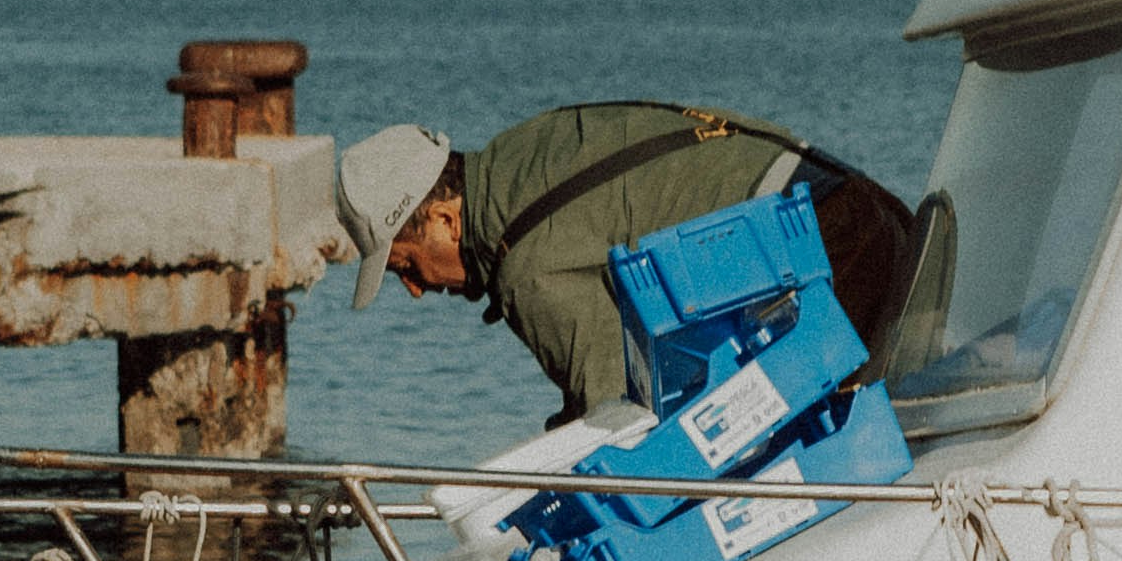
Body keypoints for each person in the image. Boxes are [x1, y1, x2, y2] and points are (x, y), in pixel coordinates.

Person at [333, 103, 916, 427]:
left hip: (831, 243)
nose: (413, 290)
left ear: (444, 220)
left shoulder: (527, 270)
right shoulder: (522, 154)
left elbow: (619, 420)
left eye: (405, 265)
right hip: (856, 200)